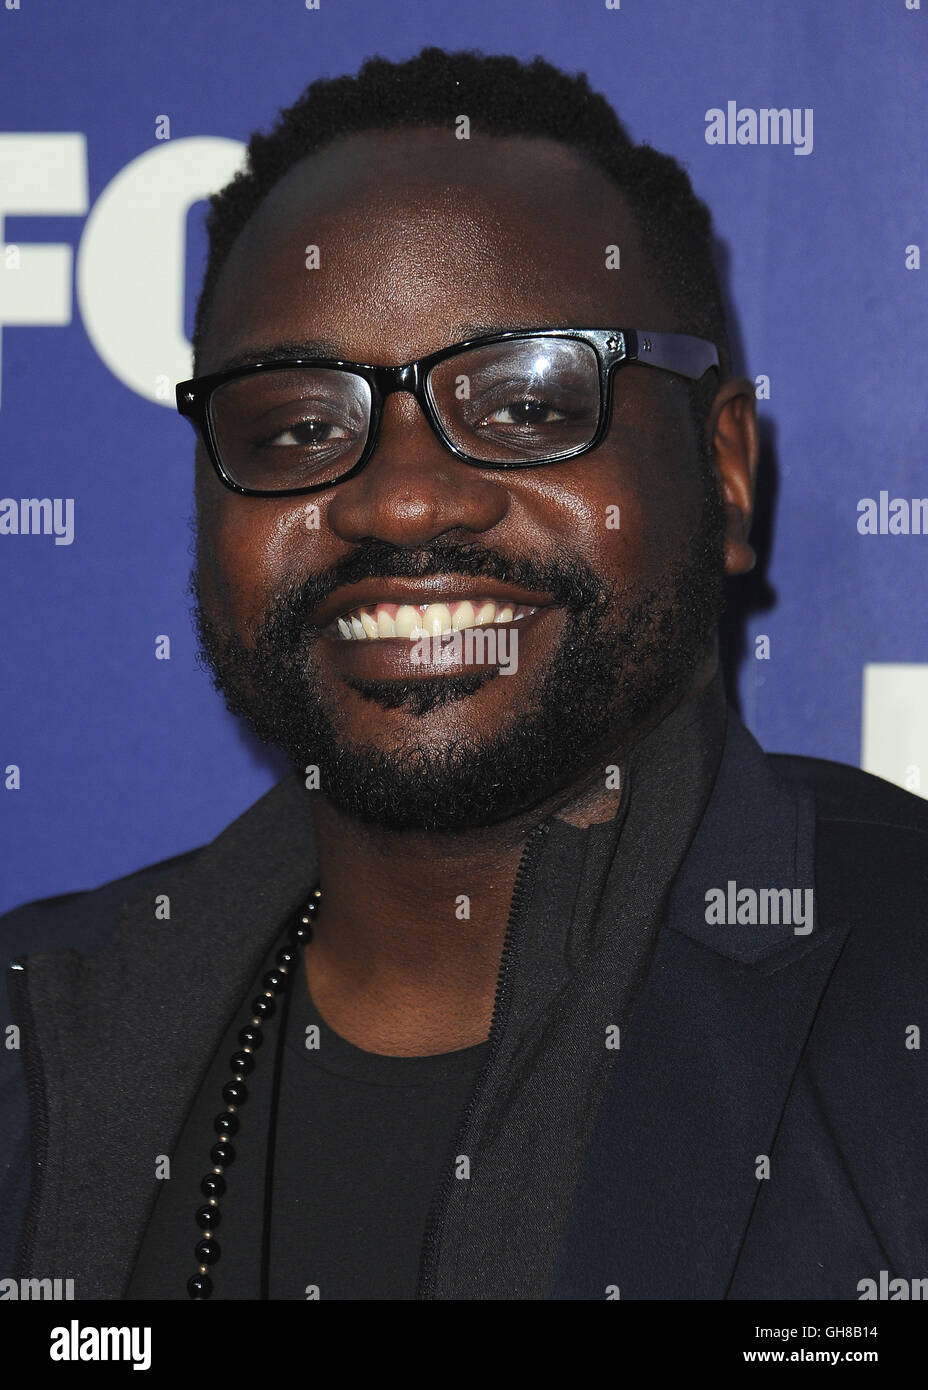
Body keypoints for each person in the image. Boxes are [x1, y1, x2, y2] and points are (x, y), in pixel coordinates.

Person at [2, 47, 926, 1303]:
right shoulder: (33, 1027)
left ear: (723, 469)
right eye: (300, 426)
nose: (398, 495)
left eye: (528, 401)